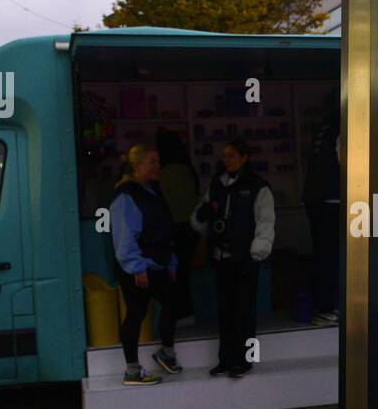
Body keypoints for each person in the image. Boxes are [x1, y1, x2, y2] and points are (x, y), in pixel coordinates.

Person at [192, 140, 275, 377]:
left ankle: (244, 360)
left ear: (244, 157)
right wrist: (202, 215)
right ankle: (226, 360)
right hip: (221, 257)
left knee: (245, 311)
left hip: (245, 257)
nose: (226, 160)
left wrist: (256, 253)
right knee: (225, 311)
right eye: (224, 156)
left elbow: (265, 222)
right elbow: (200, 219)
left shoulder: (258, 186)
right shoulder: (217, 184)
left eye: (231, 156)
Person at [110, 143, 182, 386]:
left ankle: (166, 352)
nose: (158, 166)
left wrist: (171, 261)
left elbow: (165, 227)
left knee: (172, 303)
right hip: (139, 266)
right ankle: (132, 369)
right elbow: (124, 235)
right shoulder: (126, 195)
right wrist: (136, 267)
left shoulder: (154, 191)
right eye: (153, 161)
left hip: (158, 262)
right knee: (136, 313)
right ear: (138, 166)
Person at [154, 128, 199, 327]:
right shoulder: (186, 169)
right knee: (182, 274)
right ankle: (185, 314)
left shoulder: (166, 173)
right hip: (190, 228)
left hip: (174, 229)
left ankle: (179, 315)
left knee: (173, 276)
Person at [303, 106, 340, 325]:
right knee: (330, 256)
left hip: (315, 198)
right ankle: (325, 308)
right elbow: (348, 162)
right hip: (331, 199)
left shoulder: (323, 127)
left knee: (321, 254)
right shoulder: (341, 127)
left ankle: (320, 306)